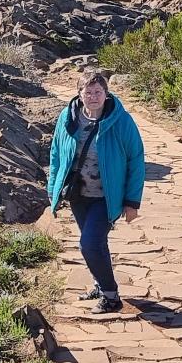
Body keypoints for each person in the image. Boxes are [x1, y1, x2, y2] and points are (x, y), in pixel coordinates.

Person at [46, 70, 145, 313]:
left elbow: (136, 159)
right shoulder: (68, 118)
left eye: (98, 92)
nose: (93, 96)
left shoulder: (121, 121)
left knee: (89, 244)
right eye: (88, 92)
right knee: (96, 243)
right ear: (79, 95)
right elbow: (57, 153)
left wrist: (132, 201)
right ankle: (101, 285)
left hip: (107, 197)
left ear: (106, 93)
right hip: (79, 194)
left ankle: (111, 297)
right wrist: (53, 190)